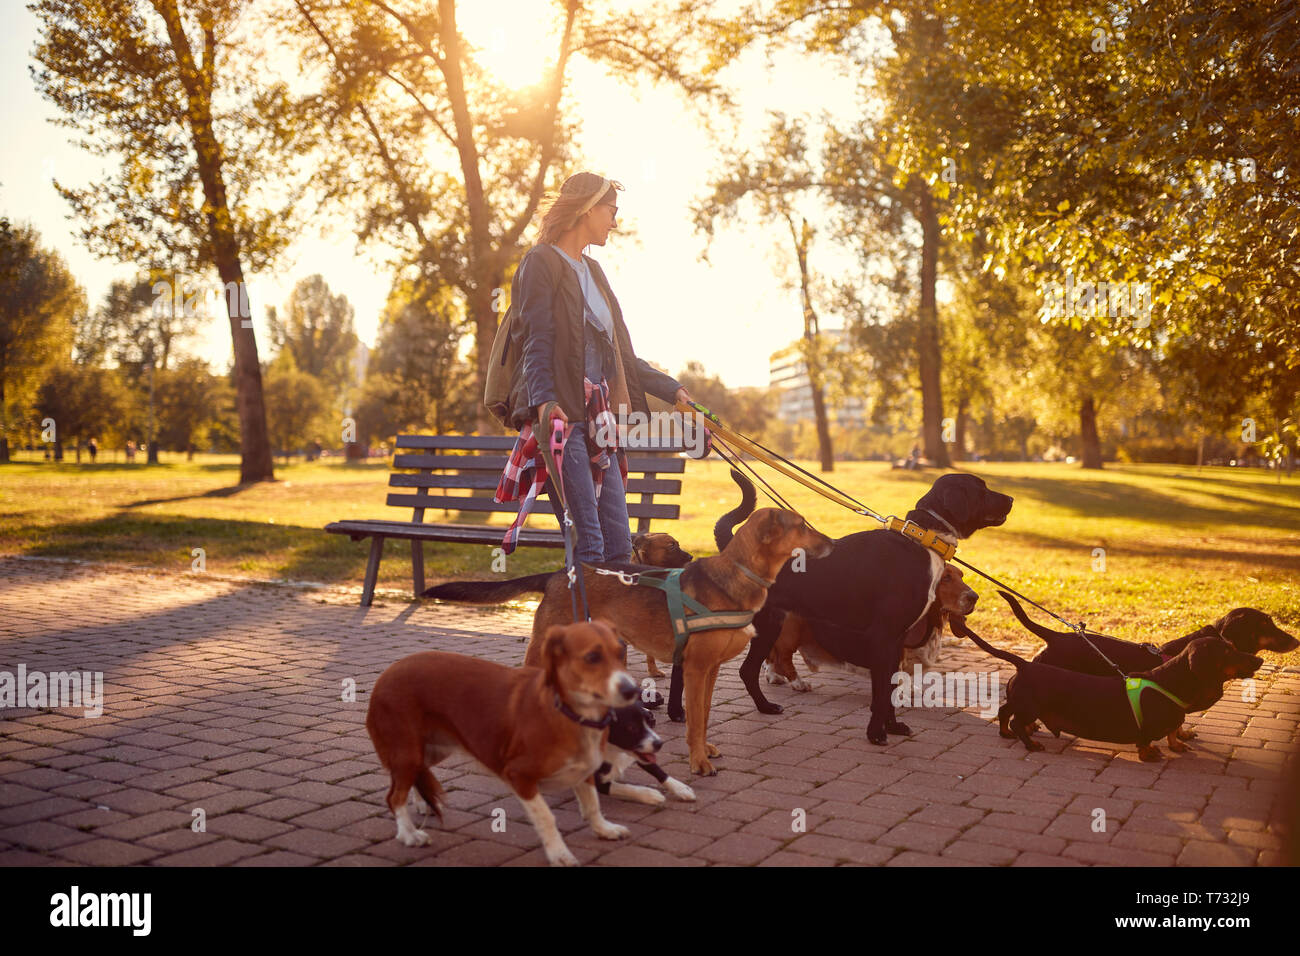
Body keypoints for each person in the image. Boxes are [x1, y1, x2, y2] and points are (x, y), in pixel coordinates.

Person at [502, 172, 693, 564]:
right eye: (611, 211)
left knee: (620, 545)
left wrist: (672, 390)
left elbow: (621, 355)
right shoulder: (541, 262)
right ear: (588, 208)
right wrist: (544, 402)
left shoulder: (594, 272)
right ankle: (581, 625)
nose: (615, 222)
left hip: (600, 421)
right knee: (589, 542)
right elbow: (534, 341)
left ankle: (607, 626)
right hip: (562, 418)